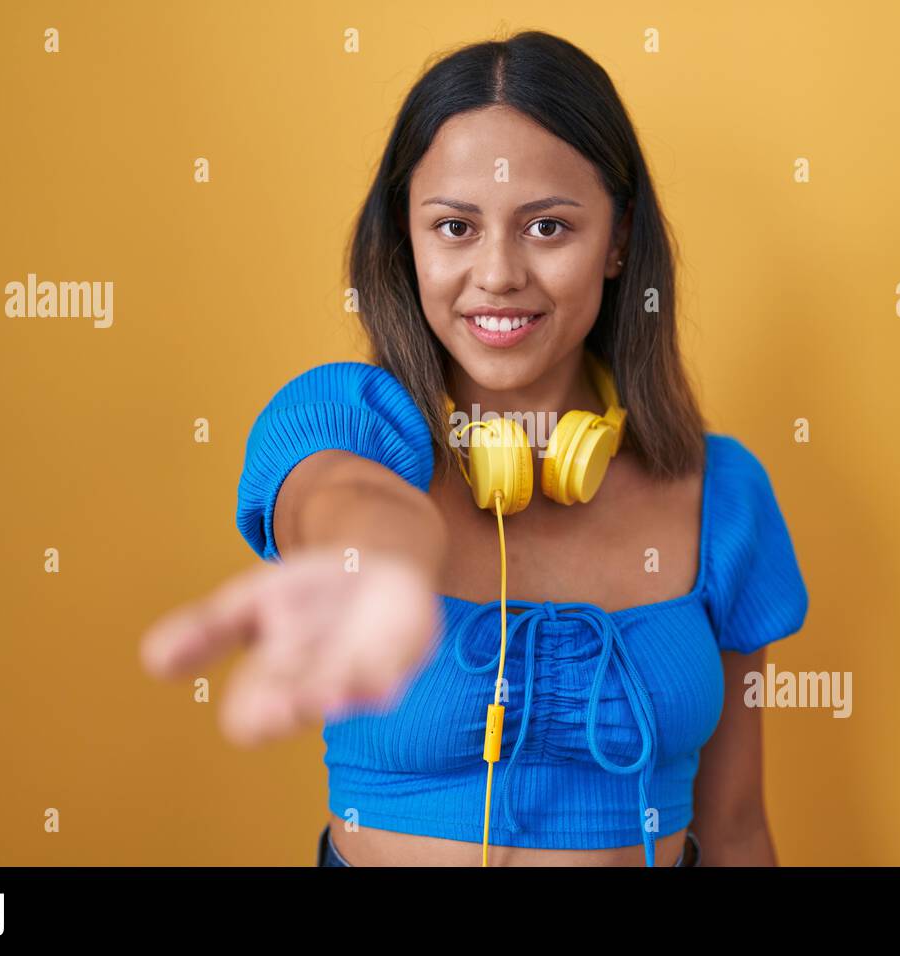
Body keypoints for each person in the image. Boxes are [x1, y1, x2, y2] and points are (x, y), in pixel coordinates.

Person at [140, 30, 809, 867]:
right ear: (405, 241)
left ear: (618, 241)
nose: (497, 273)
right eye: (455, 226)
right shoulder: (342, 422)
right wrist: (383, 553)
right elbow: (341, 503)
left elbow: (739, 829)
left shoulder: (726, 496)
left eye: (548, 227)